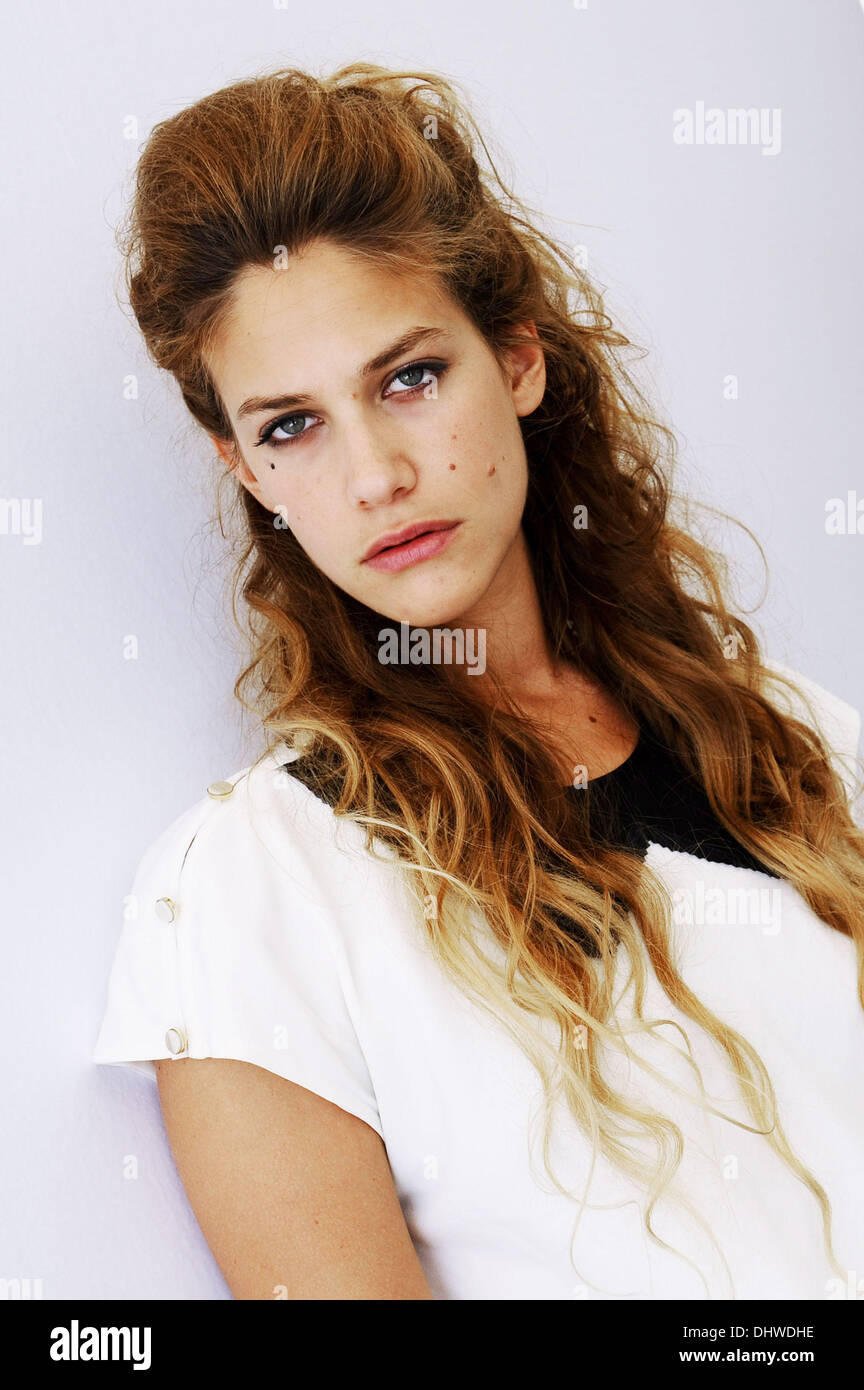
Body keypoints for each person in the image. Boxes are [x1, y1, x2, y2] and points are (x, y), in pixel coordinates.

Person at [93, 62, 864, 1301]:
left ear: (517, 362)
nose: (377, 474)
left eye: (409, 378)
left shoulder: (803, 740)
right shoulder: (248, 894)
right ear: (243, 467)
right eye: (292, 426)